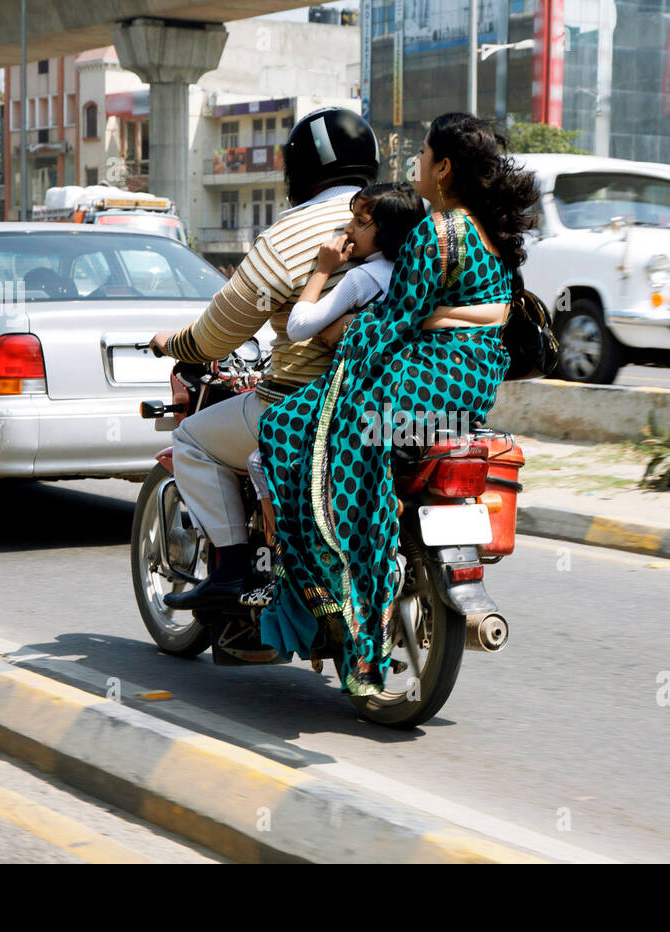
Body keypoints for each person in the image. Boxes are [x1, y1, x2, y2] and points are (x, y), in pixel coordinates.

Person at [256, 112, 540, 694]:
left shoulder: (437, 231)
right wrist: (448, 316)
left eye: (422, 156)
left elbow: (392, 324)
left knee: (290, 429)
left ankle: (359, 618)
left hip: (421, 381)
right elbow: (495, 312)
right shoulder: (488, 231)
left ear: (443, 168)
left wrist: (340, 334)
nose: (413, 167)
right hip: (470, 386)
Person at [146, 107, 381, 610]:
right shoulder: (408, 218)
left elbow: (218, 334)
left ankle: (234, 570)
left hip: (305, 405)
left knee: (192, 440)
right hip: (393, 398)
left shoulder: (289, 237)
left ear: (300, 171)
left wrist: (174, 343)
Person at [241, 182, 426, 608]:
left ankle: (281, 566)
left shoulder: (363, 277)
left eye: (361, 222)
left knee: (260, 458)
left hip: (354, 399)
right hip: (408, 401)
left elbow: (300, 326)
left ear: (389, 235)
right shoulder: (419, 274)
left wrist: (323, 269)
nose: (348, 228)